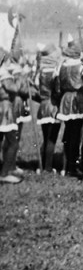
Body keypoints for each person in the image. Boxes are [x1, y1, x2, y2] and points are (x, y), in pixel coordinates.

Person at [56, 41, 83, 177]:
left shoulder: (61, 66)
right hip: (78, 100)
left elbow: (57, 87)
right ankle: (72, 165)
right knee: (77, 134)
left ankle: (65, 165)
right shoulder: (82, 66)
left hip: (65, 99)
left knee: (68, 133)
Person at [35, 44, 62, 174]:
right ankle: (48, 167)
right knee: (52, 139)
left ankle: (41, 165)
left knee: (46, 138)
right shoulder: (55, 71)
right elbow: (57, 90)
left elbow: (36, 90)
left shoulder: (40, 71)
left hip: (43, 105)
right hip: (53, 106)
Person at [0, 53, 25, 184]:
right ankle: (4, 173)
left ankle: (5, 169)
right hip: (5, 109)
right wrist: (20, 77)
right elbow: (14, 88)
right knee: (13, 142)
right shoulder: (4, 74)